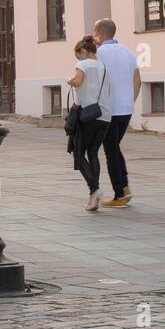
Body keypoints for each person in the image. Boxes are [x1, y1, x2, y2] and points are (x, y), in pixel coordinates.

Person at [93, 17, 140, 207]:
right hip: (125, 108)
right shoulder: (128, 52)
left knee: (110, 150)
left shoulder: (98, 54)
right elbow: (137, 80)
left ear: (100, 34)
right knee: (114, 148)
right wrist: (130, 101)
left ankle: (120, 194)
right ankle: (125, 187)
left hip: (108, 109)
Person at [66, 35, 111, 211]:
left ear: (83, 51)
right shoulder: (103, 66)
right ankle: (94, 197)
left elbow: (77, 81)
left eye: (78, 55)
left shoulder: (83, 64)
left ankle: (95, 189)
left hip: (87, 116)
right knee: (93, 153)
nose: (78, 59)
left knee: (78, 152)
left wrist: (69, 80)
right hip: (105, 115)